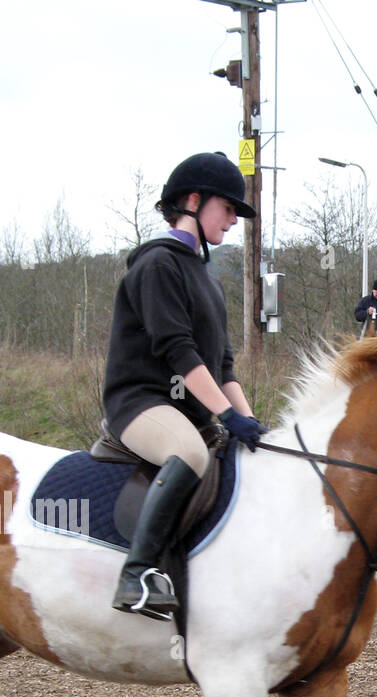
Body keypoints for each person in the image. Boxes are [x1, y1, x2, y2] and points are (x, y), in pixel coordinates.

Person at [103, 151, 267, 620]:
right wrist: (226, 415)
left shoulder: (205, 277)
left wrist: (249, 420)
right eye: (229, 208)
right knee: (191, 454)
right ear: (193, 201)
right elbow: (180, 353)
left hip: (190, 407)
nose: (234, 220)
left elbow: (223, 365)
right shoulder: (157, 265)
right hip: (141, 403)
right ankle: (137, 573)